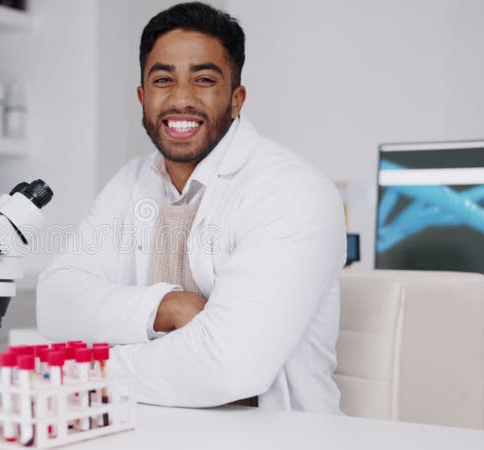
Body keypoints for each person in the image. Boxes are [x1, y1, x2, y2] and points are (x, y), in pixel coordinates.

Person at [36, 2, 345, 413]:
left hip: (274, 434)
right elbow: (55, 303)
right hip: (153, 424)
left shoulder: (291, 191)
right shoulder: (131, 181)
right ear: (143, 97)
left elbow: (230, 366)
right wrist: (163, 307)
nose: (181, 99)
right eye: (163, 79)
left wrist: (82, 372)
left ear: (236, 99)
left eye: (203, 79)